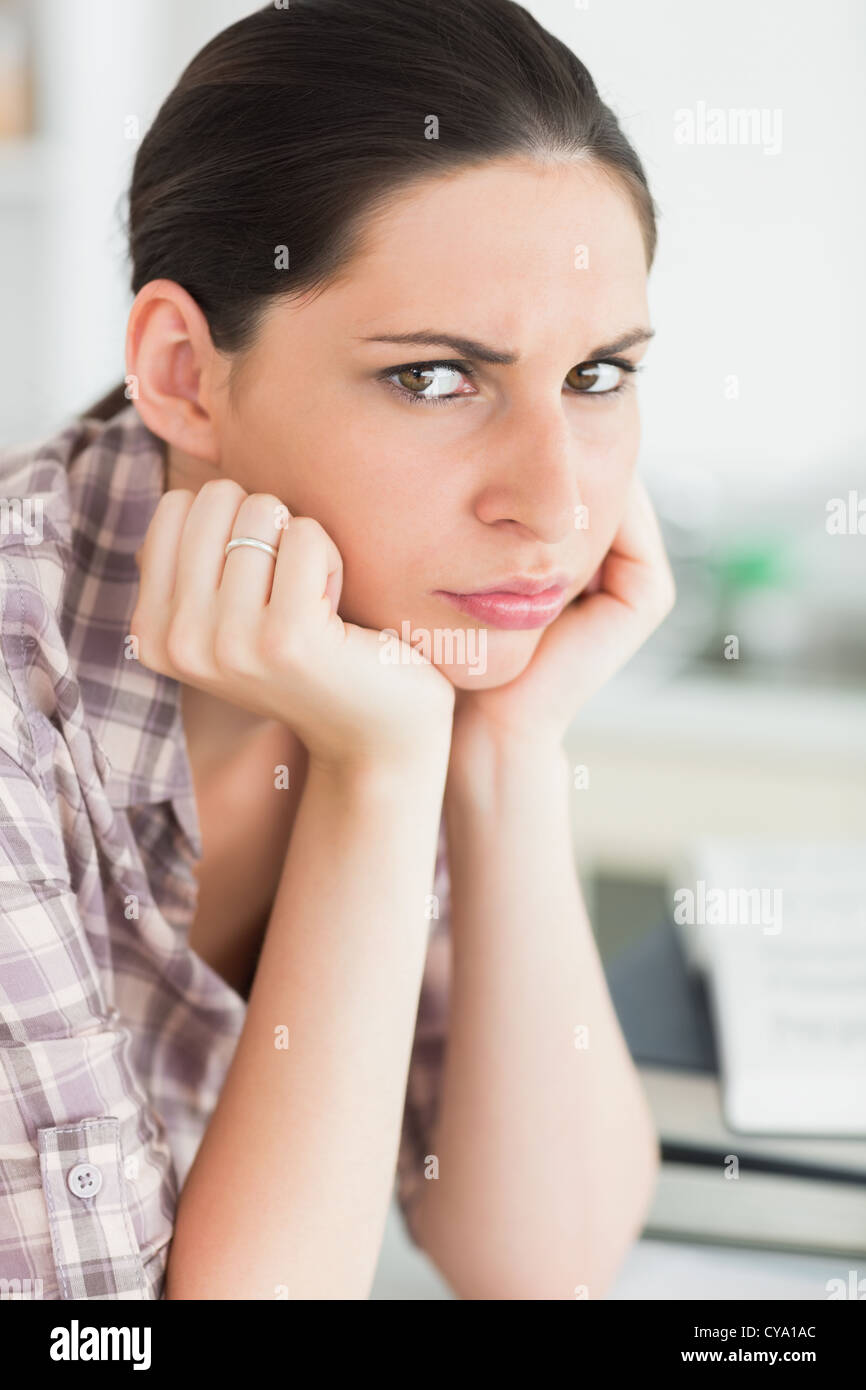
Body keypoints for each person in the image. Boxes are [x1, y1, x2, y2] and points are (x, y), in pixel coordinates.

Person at [0, 0, 675, 1301]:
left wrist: (502, 751)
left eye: (596, 376)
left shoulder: (394, 622)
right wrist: (376, 777)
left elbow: (539, 1255)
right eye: (434, 377)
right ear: (184, 373)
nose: (553, 501)